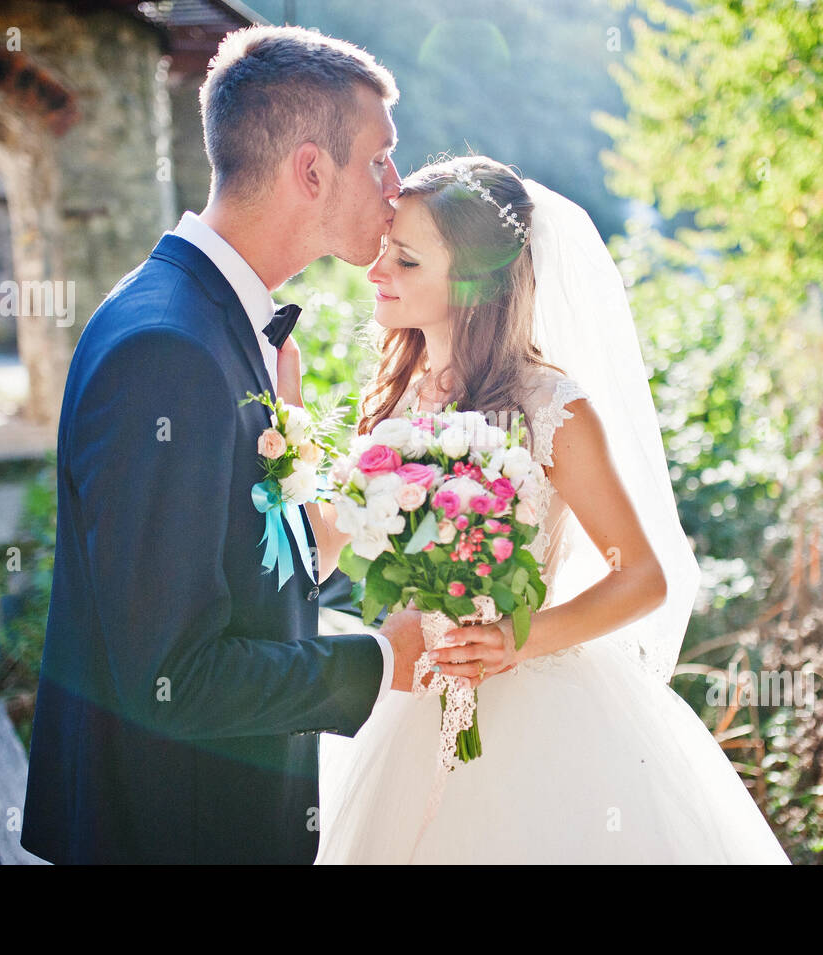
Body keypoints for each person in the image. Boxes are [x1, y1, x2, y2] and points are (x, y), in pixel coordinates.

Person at [286, 156, 792, 863]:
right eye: (382, 250)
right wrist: (287, 428)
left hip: (529, 709)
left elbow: (643, 575)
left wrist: (514, 641)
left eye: (403, 259)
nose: (375, 271)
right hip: (406, 698)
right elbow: (327, 539)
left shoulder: (549, 405)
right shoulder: (398, 393)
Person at [19, 25, 428, 864]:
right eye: (379, 160)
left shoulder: (227, 330)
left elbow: (239, 573)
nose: (397, 187)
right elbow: (175, 676)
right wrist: (381, 662)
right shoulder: (165, 352)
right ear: (311, 170)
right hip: (171, 827)